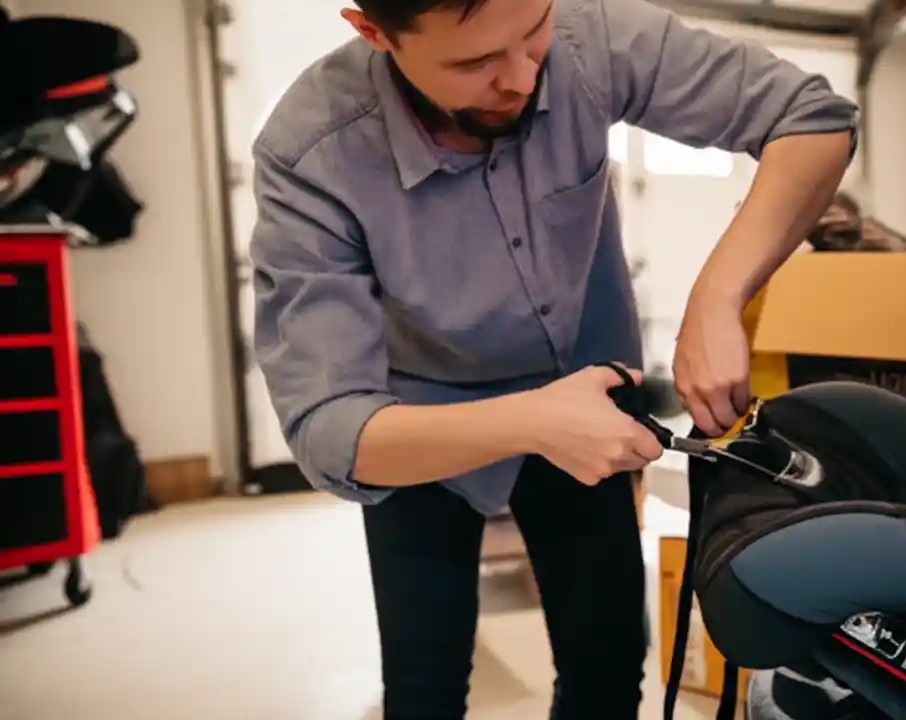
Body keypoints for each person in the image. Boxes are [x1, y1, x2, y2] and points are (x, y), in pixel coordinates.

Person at [248, 0, 858, 717]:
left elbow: (814, 118)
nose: (521, 76)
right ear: (373, 33)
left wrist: (717, 297)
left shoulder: (584, 35)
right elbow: (331, 433)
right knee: (424, 680)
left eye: (533, 30)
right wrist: (532, 422)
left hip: (587, 384)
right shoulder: (310, 151)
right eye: (474, 62)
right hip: (419, 423)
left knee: (604, 665)